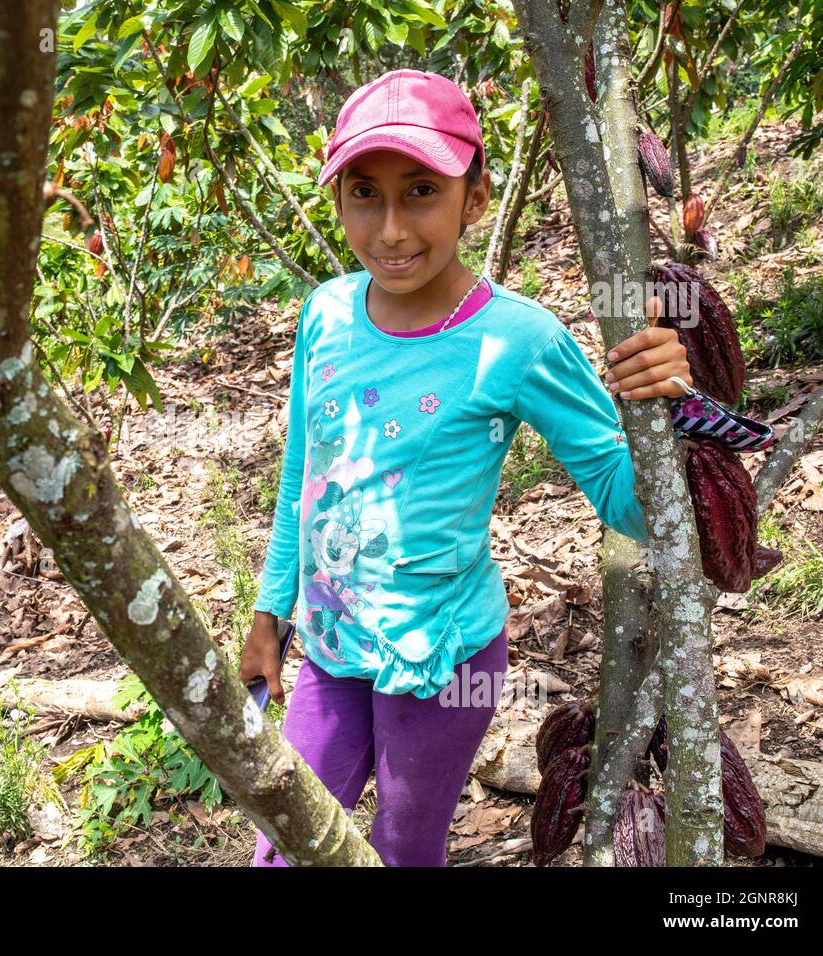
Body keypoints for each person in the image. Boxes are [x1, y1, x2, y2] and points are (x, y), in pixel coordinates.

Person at [238, 69, 692, 867]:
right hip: (332, 648)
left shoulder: (519, 341)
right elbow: (299, 476)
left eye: (420, 191)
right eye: (362, 193)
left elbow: (630, 504)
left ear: (473, 198)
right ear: (337, 198)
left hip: (443, 664)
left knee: (405, 847)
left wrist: (669, 413)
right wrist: (270, 614)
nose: (388, 229)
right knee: (287, 847)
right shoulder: (327, 314)